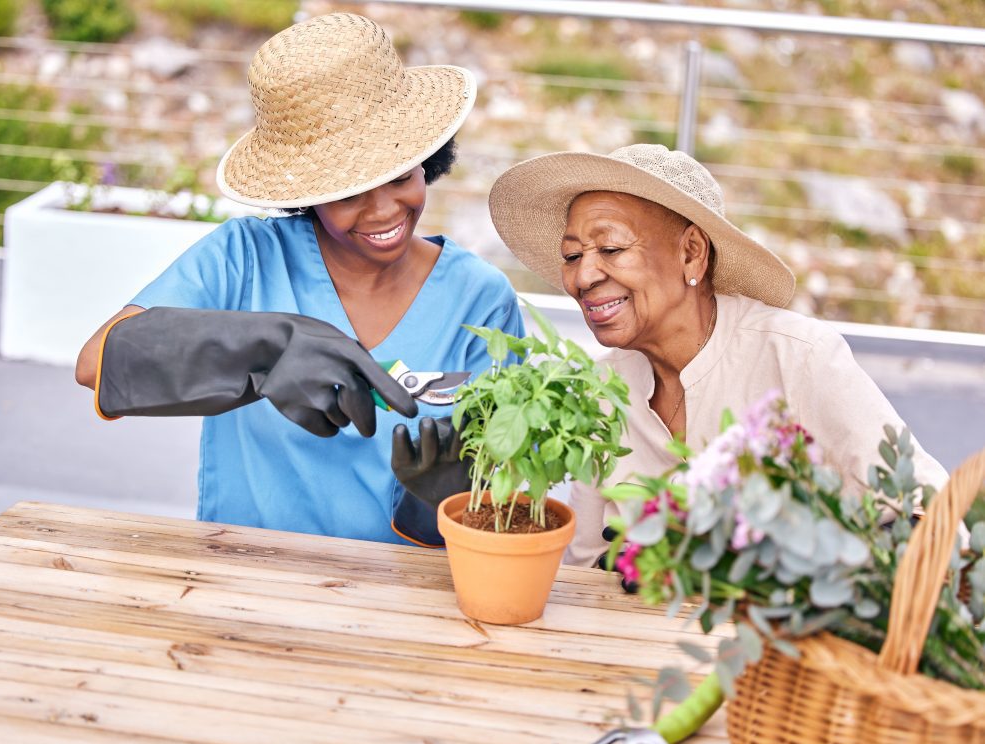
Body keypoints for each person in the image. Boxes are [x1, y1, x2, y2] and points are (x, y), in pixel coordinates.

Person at [75, 13, 523, 548]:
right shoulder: (244, 258)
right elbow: (97, 362)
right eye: (350, 191)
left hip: (407, 595)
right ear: (307, 191)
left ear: (429, 159)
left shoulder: (480, 299)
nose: (384, 211)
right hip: (245, 576)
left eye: (401, 175)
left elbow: (503, 476)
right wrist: (265, 349)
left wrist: (440, 501)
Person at [487, 143, 948, 568]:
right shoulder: (600, 391)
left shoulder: (797, 357)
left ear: (691, 254)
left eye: (610, 248)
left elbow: (931, 514)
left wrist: (777, 560)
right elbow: (587, 563)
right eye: (572, 256)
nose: (582, 276)